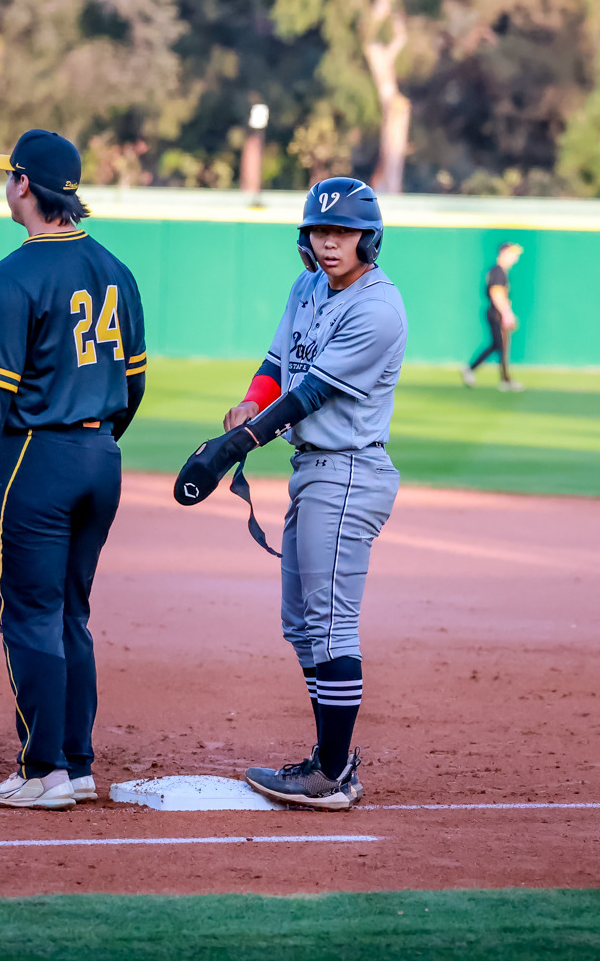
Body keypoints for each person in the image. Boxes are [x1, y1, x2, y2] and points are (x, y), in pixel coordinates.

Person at [0, 128, 147, 810]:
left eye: (8, 176)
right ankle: (76, 767)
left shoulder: (13, 274)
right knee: (70, 614)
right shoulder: (117, 269)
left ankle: (41, 771)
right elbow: (133, 386)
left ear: (23, 185)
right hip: (100, 459)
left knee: (28, 615)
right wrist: (96, 444)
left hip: (34, 461)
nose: (6, 185)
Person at [174, 177, 406, 810]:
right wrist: (251, 401)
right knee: (300, 624)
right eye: (320, 232)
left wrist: (238, 444)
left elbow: (312, 396)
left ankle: (332, 774)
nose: (330, 244)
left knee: (330, 624)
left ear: (368, 239)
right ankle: (329, 759)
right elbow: (279, 367)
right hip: (314, 470)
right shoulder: (307, 288)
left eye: (344, 233)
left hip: (351, 469)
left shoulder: (378, 308)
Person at [462, 242, 524, 392]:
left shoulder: (500, 271)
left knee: (499, 346)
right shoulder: (498, 271)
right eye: (513, 254)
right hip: (496, 314)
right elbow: (496, 294)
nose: (515, 258)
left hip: (497, 313)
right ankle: (500, 378)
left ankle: (501, 378)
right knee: (500, 345)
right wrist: (507, 314)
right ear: (504, 253)